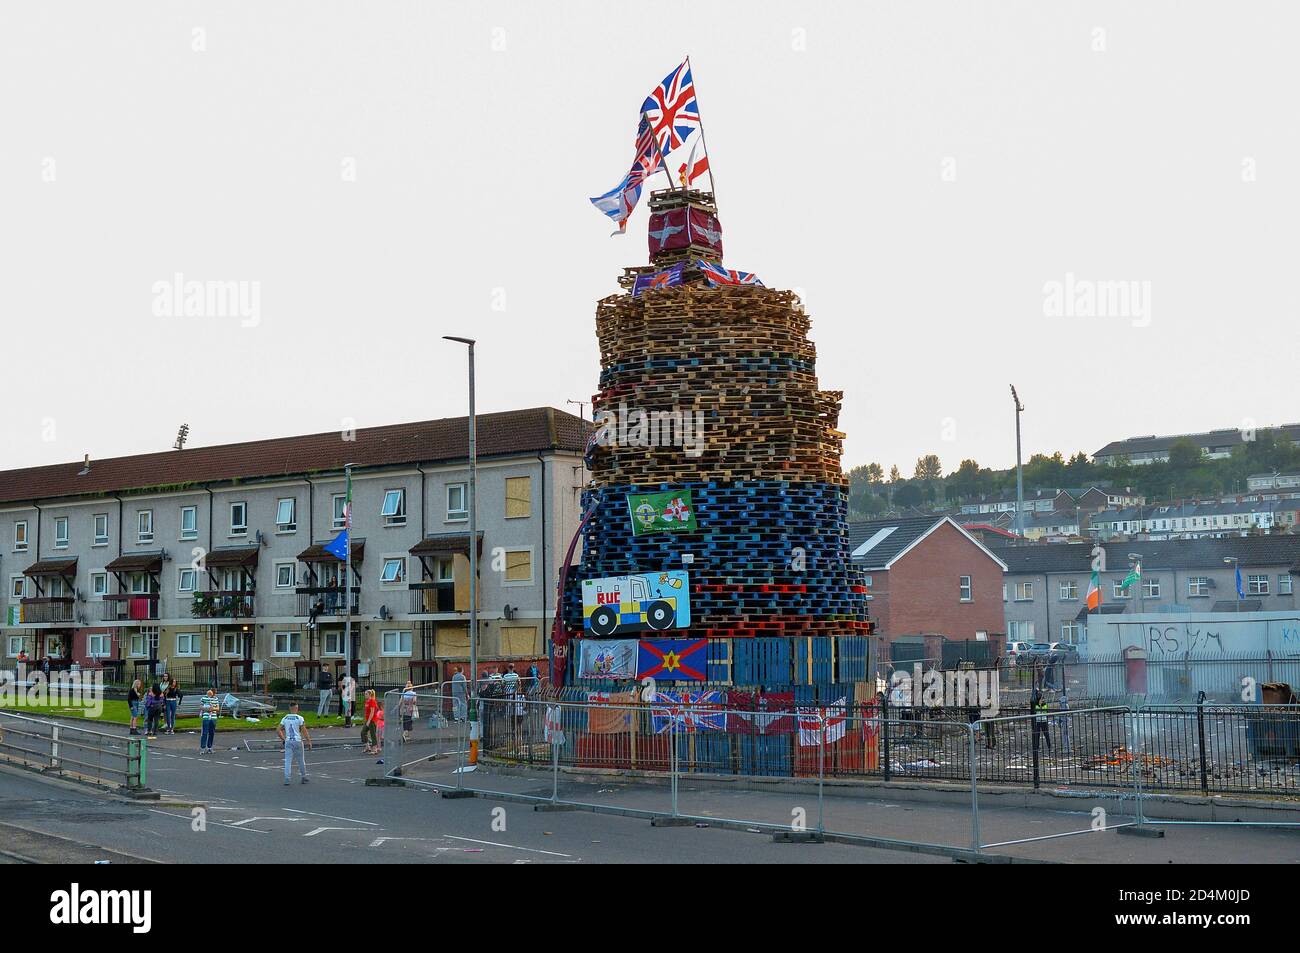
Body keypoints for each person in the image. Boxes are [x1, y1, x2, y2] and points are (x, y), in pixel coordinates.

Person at [277, 702, 312, 785]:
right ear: (296, 708)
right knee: (301, 760)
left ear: (289, 708)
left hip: (288, 741)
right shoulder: (299, 718)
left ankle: (287, 779)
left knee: (288, 761)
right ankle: (303, 777)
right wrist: (309, 741)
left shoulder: (285, 718)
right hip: (298, 741)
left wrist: (283, 739)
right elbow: (304, 731)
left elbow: (278, 730)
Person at [199, 688, 220, 754]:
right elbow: (200, 706)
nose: (214, 694)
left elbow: (218, 708)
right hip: (206, 717)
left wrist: (213, 708)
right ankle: (202, 748)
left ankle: (209, 747)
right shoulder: (204, 698)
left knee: (212, 733)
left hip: (213, 717)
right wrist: (207, 709)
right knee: (204, 733)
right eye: (213, 693)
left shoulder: (216, 699)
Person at [1032, 687, 1052, 752]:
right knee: (1037, 735)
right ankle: (1037, 747)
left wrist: (1041, 704)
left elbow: (1044, 710)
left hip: (1044, 721)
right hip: (1038, 721)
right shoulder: (1035, 704)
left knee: (1046, 734)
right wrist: (1039, 704)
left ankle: (1049, 747)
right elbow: (1035, 709)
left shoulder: (1044, 704)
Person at [361, 689, 380, 754]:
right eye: (365, 694)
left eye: (366, 694)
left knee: (373, 734)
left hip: (372, 720)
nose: (365, 695)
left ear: (370, 695)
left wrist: (369, 721)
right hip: (367, 720)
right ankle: (367, 746)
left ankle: (375, 749)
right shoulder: (367, 701)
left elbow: (372, 712)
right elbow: (367, 712)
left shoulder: (372, 701)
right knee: (363, 732)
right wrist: (366, 720)